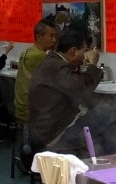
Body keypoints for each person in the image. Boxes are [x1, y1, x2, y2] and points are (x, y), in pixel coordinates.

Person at [27, 23, 105, 151]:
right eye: (84, 51)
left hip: (44, 127)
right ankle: (110, 161)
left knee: (99, 113)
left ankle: (96, 155)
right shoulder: (57, 67)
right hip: (53, 133)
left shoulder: (51, 62)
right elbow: (83, 89)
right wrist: (93, 65)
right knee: (108, 112)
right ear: (73, 51)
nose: (85, 55)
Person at [11, 18, 57, 126]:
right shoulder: (39, 56)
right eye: (51, 36)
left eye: (55, 36)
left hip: (21, 107)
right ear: (39, 37)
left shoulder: (27, 51)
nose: (54, 40)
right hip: (31, 111)